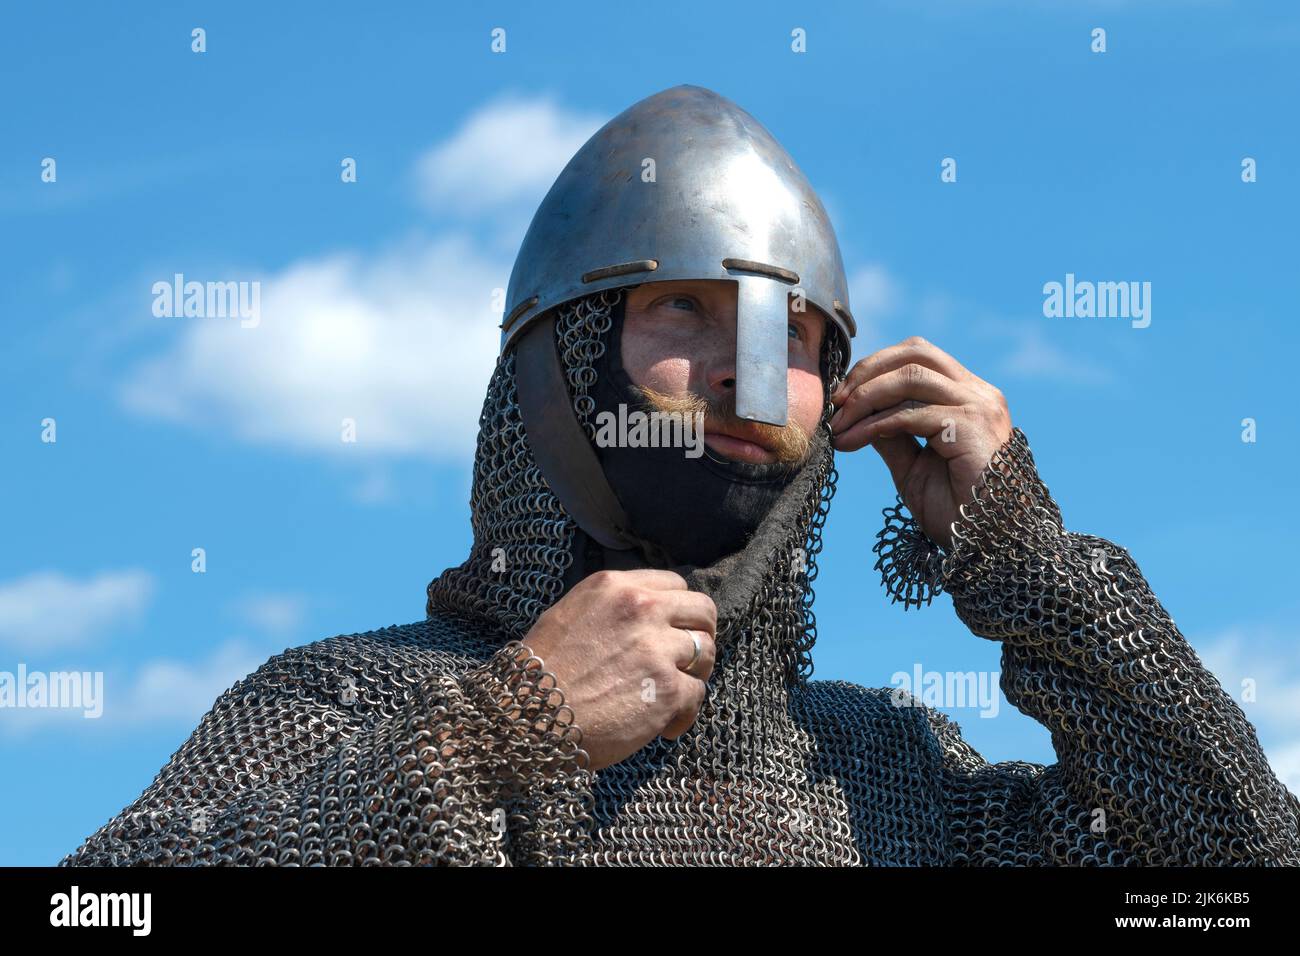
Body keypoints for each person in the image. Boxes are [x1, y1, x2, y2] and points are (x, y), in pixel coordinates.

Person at [61, 85, 1300, 866]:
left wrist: (1029, 560)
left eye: (787, 337)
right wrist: (493, 739)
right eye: (681, 313)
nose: (740, 375)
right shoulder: (354, 700)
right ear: (564, 360)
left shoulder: (897, 779)